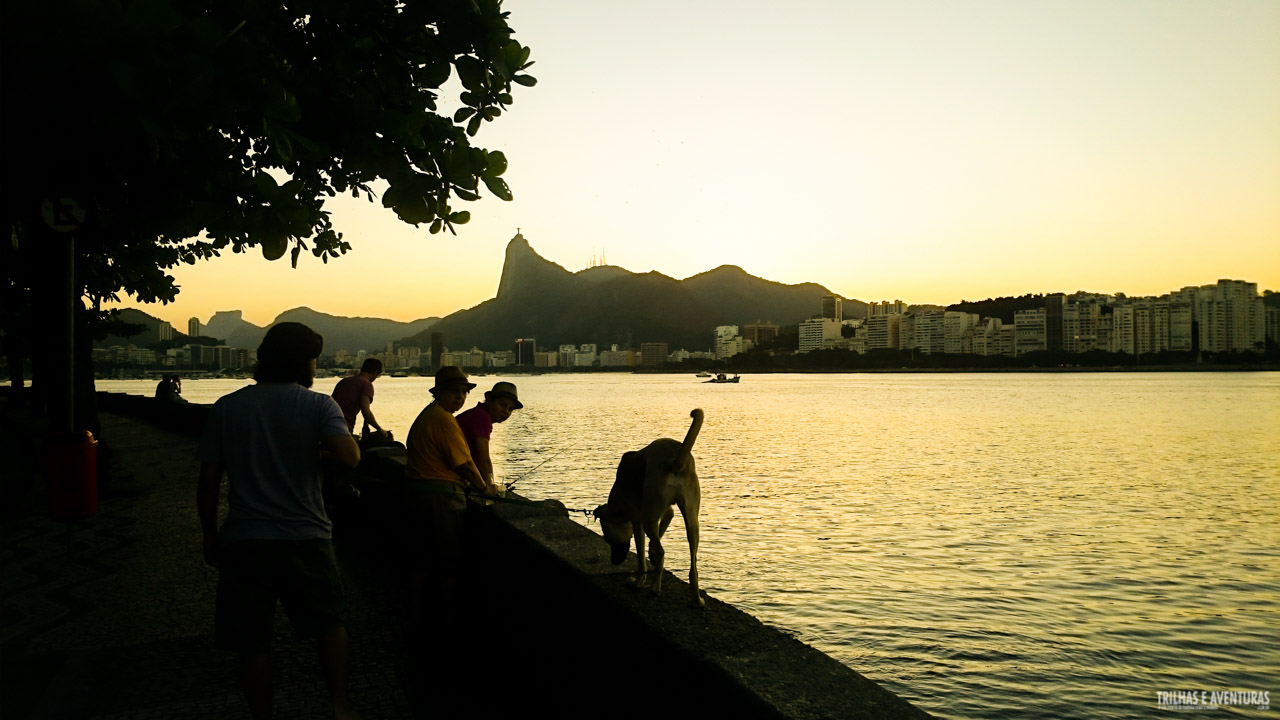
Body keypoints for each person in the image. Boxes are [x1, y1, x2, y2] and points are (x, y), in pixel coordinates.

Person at [196, 322, 362, 720]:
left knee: (253, 642)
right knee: (329, 624)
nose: (316, 367)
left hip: (245, 539)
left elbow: (208, 480)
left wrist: (210, 535)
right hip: (306, 535)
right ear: (302, 363)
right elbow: (350, 457)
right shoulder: (319, 405)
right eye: (314, 359)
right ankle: (340, 709)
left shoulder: (227, 407)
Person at [402, 365, 495, 632]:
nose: (460, 397)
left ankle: (416, 617)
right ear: (439, 393)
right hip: (441, 497)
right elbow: (465, 464)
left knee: (420, 562)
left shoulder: (429, 415)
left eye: (464, 392)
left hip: (419, 492)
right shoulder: (443, 420)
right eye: (454, 392)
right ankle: (449, 622)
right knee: (449, 562)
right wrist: (484, 488)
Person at [455, 381, 523, 488]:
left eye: (510, 409)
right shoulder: (482, 417)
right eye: (502, 404)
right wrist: (490, 485)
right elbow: (484, 459)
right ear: (490, 400)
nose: (506, 411)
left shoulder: (476, 413)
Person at [331, 358, 389, 440]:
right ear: (375, 373)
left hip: (327, 424)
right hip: (343, 427)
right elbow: (365, 411)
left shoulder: (344, 381)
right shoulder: (366, 384)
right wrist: (380, 430)